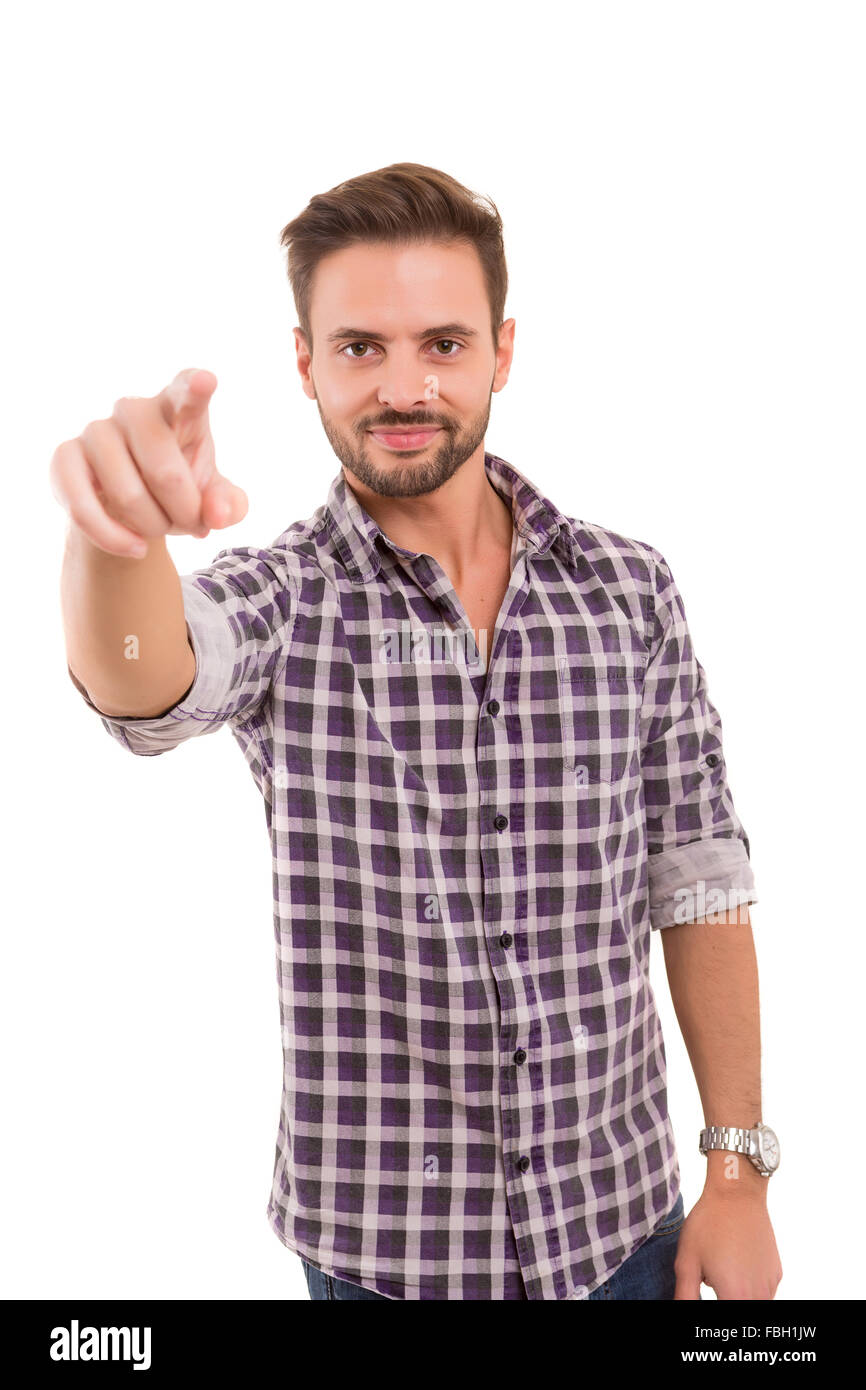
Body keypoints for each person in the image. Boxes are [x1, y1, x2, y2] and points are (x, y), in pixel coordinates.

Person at [52, 162, 782, 1301]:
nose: (403, 387)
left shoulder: (629, 591)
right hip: (386, 1264)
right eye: (359, 348)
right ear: (304, 362)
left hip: (623, 1236)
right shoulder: (289, 596)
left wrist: (736, 1174)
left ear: (500, 349)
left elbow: (698, 885)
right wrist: (117, 538)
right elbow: (148, 679)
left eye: (440, 344)